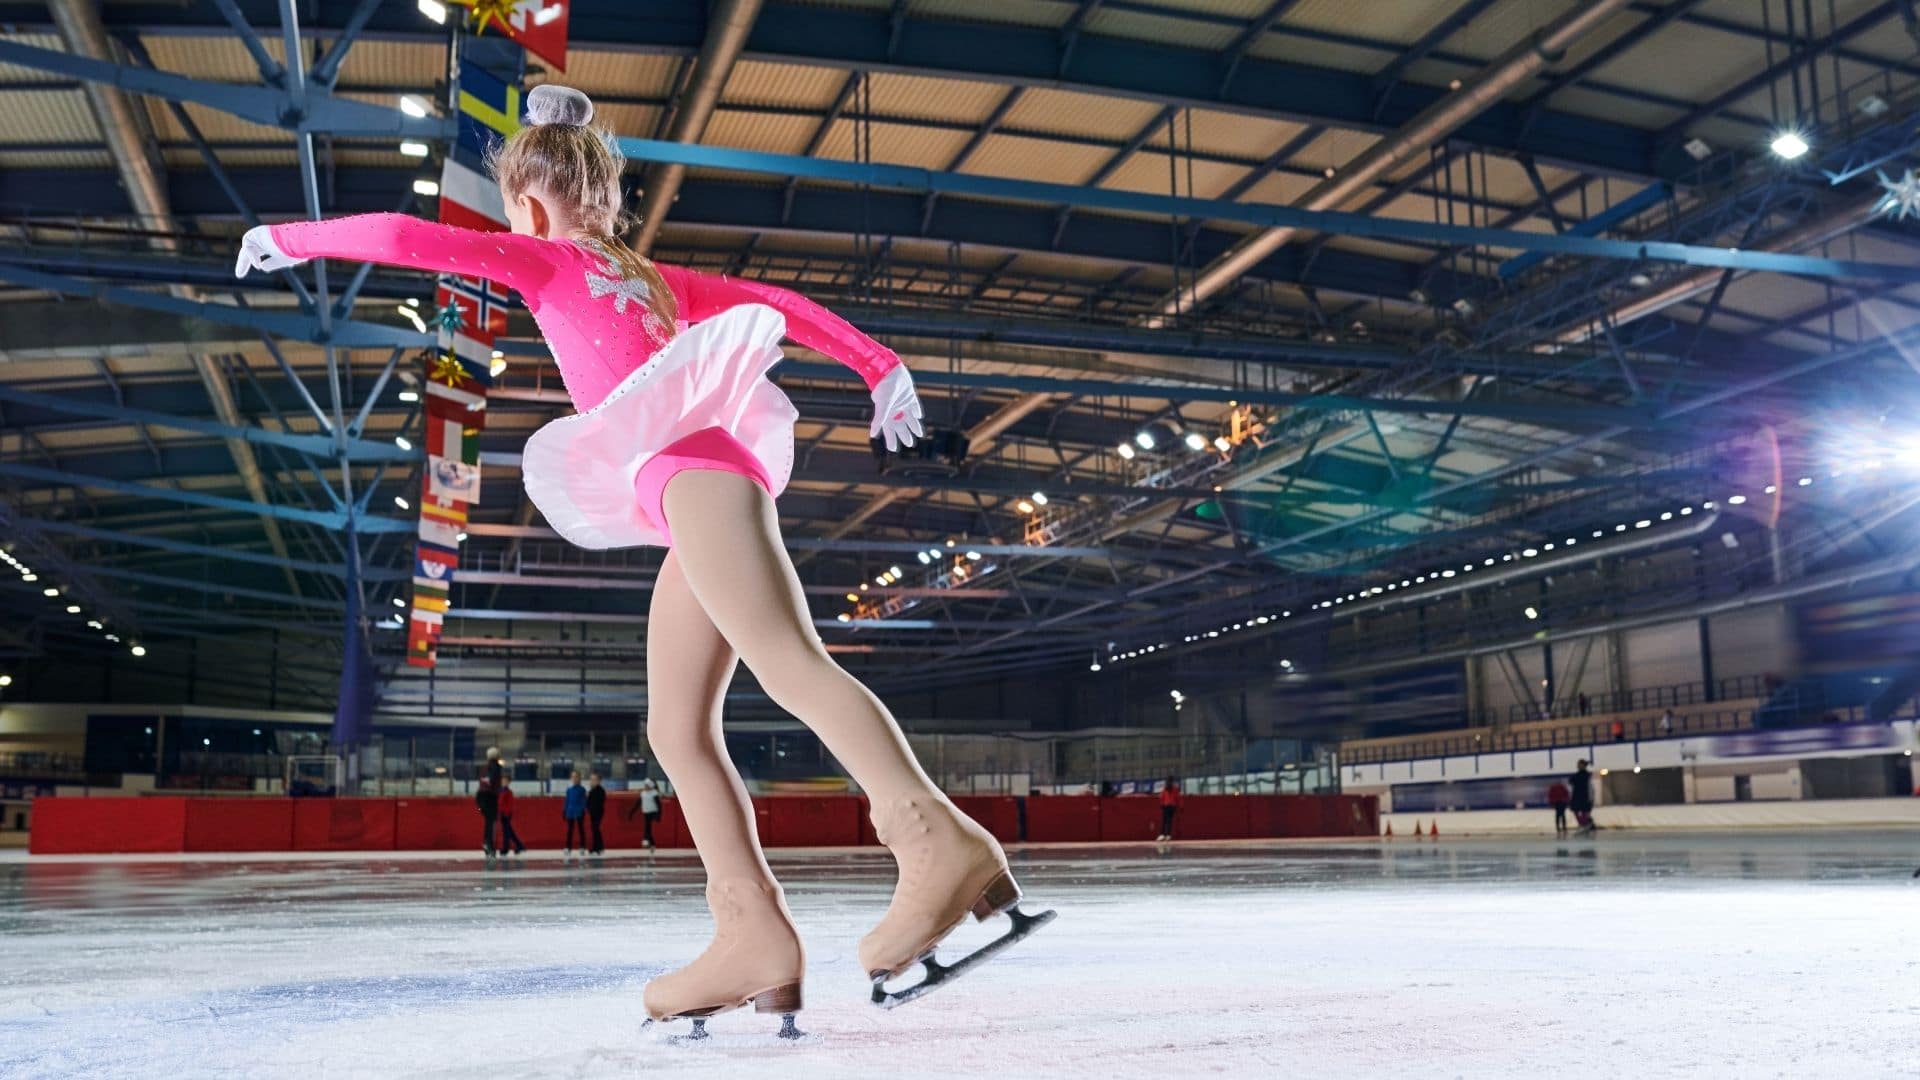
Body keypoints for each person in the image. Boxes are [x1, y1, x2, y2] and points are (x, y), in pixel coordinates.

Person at [234, 85, 1044, 1034]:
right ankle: (751, 935)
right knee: (676, 727)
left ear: (529, 207)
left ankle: (933, 841)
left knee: (789, 663)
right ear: (607, 200)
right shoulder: (662, 282)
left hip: (696, 475)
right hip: (696, 484)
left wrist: (290, 238)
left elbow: (413, 240)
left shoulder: (540, 261)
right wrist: (878, 365)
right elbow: (780, 302)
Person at [625, 776, 663, 849]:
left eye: (647, 785)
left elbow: (659, 805)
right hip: (646, 813)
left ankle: (645, 840)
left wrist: (659, 815)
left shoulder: (654, 793)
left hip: (653, 812)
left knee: (647, 827)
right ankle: (652, 844)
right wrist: (631, 813)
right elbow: (637, 804)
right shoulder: (643, 793)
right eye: (645, 785)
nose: (645, 787)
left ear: (650, 786)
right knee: (648, 828)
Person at [497, 779, 527, 856]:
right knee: (509, 831)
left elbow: (509, 804)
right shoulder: (501, 791)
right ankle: (520, 845)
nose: (503, 782)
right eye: (503, 781)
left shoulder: (508, 792)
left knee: (506, 832)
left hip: (506, 814)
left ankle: (506, 848)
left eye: (505, 781)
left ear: (508, 782)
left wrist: (506, 813)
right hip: (502, 813)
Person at [562, 770, 588, 854]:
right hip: (570, 812)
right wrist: (564, 810)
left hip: (579, 812)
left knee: (581, 829)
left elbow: (583, 801)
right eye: (573, 777)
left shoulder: (582, 790)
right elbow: (567, 800)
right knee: (570, 830)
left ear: (579, 778)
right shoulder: (569, 790)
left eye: (576, 777)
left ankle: (582, 846)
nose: (574, 778)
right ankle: (568, 847)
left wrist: (583, 810)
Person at [1568, 759, 1596, 835]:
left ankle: (1584, 825)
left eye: (1579, 764)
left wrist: (1591, 798)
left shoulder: (1587, 776)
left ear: (1583, 765)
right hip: (1577, 796)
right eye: (1578, 764)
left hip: (1584, 796)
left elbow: (1590, 787)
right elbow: (1570, 783)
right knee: (1576, 810)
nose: (1578, 766)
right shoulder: (1576, 776)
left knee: (1584, 811)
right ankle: (1582, 824)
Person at [475, 775, 499, 857]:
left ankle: (488, 845)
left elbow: (478, 804)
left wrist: (481, 810)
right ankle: (489, 846)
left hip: (488, 813)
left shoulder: (481, 793)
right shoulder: (490, 793)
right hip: (490, 814)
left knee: (488, 829)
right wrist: (482, 810)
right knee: (490, 830)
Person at [586, 772, 608, 855]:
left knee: (595, 829)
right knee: (595, 830)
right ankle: (598, 847)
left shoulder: (600, 791)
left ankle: (598, 847)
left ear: (599, 781)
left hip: (597, 813)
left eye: (594, 780)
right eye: (591, 780)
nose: (592, 781)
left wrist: (591, 807)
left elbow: (599, 803)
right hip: (592, 813)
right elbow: (588, 802)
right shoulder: (592, 790)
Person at [1156, 777, 1181, 842]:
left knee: (1166, 821)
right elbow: (1177, 798)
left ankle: (1164, 835)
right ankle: (1166, 835)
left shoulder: (1168, 789)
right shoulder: (1171, 789)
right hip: (1169, 806)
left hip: (1168, 806)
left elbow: (1161, 797)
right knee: (1167, 821)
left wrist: (1161, 804)